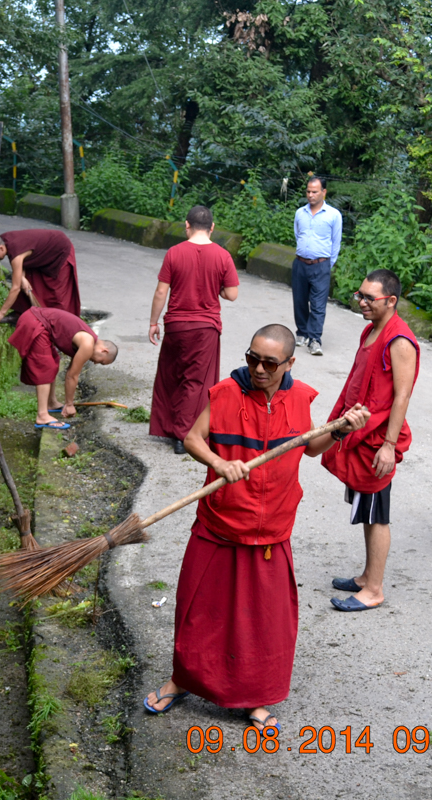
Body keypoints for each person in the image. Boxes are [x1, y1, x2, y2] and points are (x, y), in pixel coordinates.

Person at [142, 324, 369, 731]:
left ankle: (255, 697)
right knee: (199, 612)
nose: (258, 369)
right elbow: (194, 438)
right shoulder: (225, 393)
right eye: (252, 359)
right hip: (220, 523)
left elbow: (310, 446)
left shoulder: (300, 398)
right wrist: (219, 463)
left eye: (269, 363)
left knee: (264, 622)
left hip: (272, 529)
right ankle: (182, 680)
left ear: (289, 363)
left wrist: (339, 431)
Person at [321, 269, 419, 612]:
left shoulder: (400, 340)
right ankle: (366, 576)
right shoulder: (371, 329)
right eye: (359, 295)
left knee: (378, 513)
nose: (361, 302)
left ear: (391, 301)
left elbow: (402, 396)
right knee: (366, 507)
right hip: (360, 432)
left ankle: (374, 589)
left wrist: (389, 446)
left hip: (378, 441)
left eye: (368, 298)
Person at [148, 205, 240, 455]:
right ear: (212, 228)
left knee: (172, 375)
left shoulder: (174, 253)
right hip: (205, 328)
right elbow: (232, 294)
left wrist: (153, 323)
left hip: (176, 325)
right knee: (196, 381)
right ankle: (184, 435)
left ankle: (171, 428)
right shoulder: (222, 256)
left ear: (186, 225)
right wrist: (217, 289)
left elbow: (160, 292)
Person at [6, 307, 118, 430]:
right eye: (101, 361)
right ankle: (42, 415)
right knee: (45, 366)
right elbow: (71, 376)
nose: (96, 363)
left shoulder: (88, 340)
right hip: (35, 321)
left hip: (36, 320)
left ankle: (51, 403)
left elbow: (72, 370)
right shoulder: (87, 344)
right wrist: (69, 404)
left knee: (53, 361)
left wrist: (69, 402)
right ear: (104, 351)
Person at [292, 176, 342, 356]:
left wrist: (328, 263)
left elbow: (336, 242)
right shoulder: (300, 213)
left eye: (314, 192)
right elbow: (298, 234)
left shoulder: (334, 215)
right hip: (300, 263)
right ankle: (302, 333)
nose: (310, 195)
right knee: (299, 301)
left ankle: (315, 339)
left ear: (324, 192)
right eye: (308, 191)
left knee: (318, 304)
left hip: (321, 265)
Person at [0, 229, 82, 322]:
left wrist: (1, 313)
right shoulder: (2, 241)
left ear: (1, 248)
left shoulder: (16, 254)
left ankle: (63, 322)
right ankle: (21, 314)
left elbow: (15, 288)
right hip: (44, 252)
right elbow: (21, 255)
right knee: (29, 280)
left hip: (60, 249)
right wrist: (22, 277)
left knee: (58, 293)